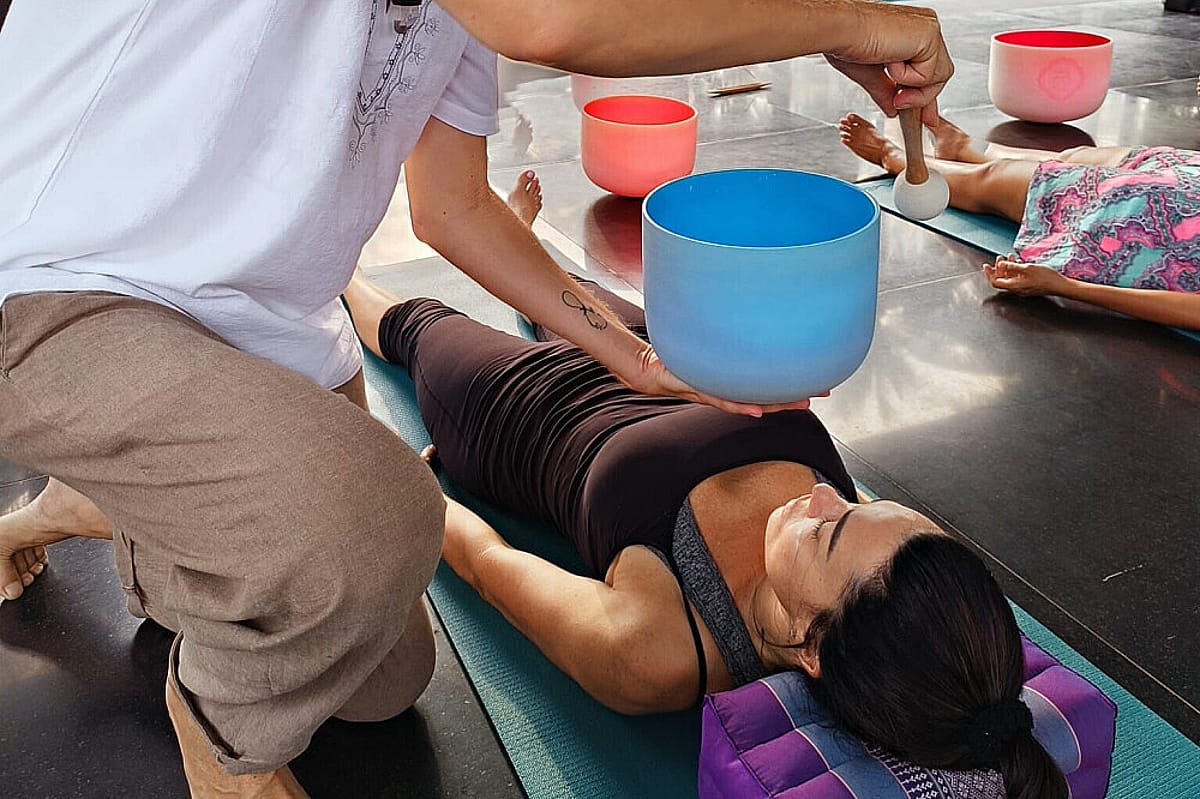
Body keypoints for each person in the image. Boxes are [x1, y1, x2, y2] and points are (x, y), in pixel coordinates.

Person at [0, 1, 952, 795]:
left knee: (382, 675)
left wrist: (630, 356)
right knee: (367, 525)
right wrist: (852, 21)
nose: (825, 502)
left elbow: (449, 204)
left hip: (256, 327)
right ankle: (221, 743)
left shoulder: (459, 24)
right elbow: (553, 18)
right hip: (54, 277)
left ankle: (106, 506)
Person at [341, 262, 1069, 799]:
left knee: (415, 319)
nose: (822, 497)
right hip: (674, 370)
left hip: (529, 413)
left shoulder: (661, 649)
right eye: (852, 504)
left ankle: (338, 272)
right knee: (565, 290)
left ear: (814, 648)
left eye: (826, 533)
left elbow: (486, 561)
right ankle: (526, 258)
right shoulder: (873, 565)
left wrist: (408, 485)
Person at [838, 113, 1200, 330]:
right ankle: (966, 149)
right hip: (1187, 181)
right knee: (1079, 156)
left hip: (1156, 226)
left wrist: (1065, 287)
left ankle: (894, 157)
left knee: (998, 180)